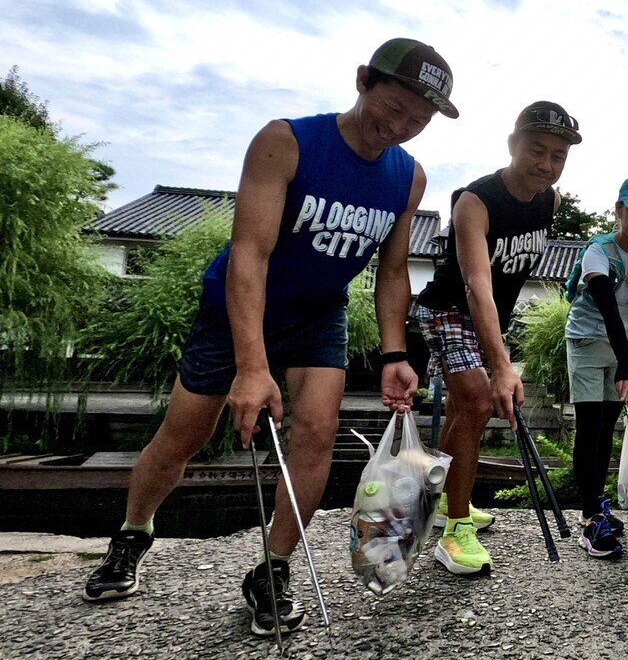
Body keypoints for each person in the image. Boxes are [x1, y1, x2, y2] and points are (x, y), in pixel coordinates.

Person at [81, 38, 458, 635]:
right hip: (238, 306)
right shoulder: (286, 142)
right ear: (363, 80)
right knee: (185, 435)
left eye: (419, 120)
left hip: (318, 312)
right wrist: (252, 367)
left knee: (316, 433)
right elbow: (249, 255)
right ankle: (133, 531)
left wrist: (394, 352)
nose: (401, 127)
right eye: (394, 108)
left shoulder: (408, 177)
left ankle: (272, 569)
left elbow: (391, 271)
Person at [414, 101, 581, 575]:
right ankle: (455, 531)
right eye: (537, 150)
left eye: (558, 156)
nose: (547, 165)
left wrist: (498, 352)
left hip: (487, 317)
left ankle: (448, 501)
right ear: (513, 145)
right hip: (448, 308)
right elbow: (476, 285)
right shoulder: (475, 202)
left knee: (472, 408)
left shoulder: (551, 202)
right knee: (476, 401)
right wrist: (502, 363)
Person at [563, 175, 628, 559]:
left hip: (625, 346)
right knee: (590, 427)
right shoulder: (598, 252)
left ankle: (596, 504)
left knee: (607, 427)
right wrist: (627, 359)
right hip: (589, 341)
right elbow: (606, 307)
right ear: (618, 210)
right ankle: (590, 521)